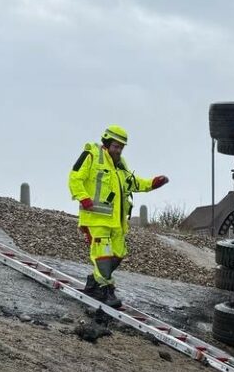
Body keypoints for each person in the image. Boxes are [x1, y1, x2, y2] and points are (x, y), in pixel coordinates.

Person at [67, 125, 169, 306]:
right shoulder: (91, 155)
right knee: (103, 258)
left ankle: (94, 283)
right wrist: (83, 198)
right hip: (95, 219)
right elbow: (75, 178)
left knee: (119, 254)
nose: (119, 150)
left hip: (116, 222)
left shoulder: (121, 165)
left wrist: (153, 183)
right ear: (106, 143)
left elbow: (133, 183)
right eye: (116, 146)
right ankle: (104, 291)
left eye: (121, 147)